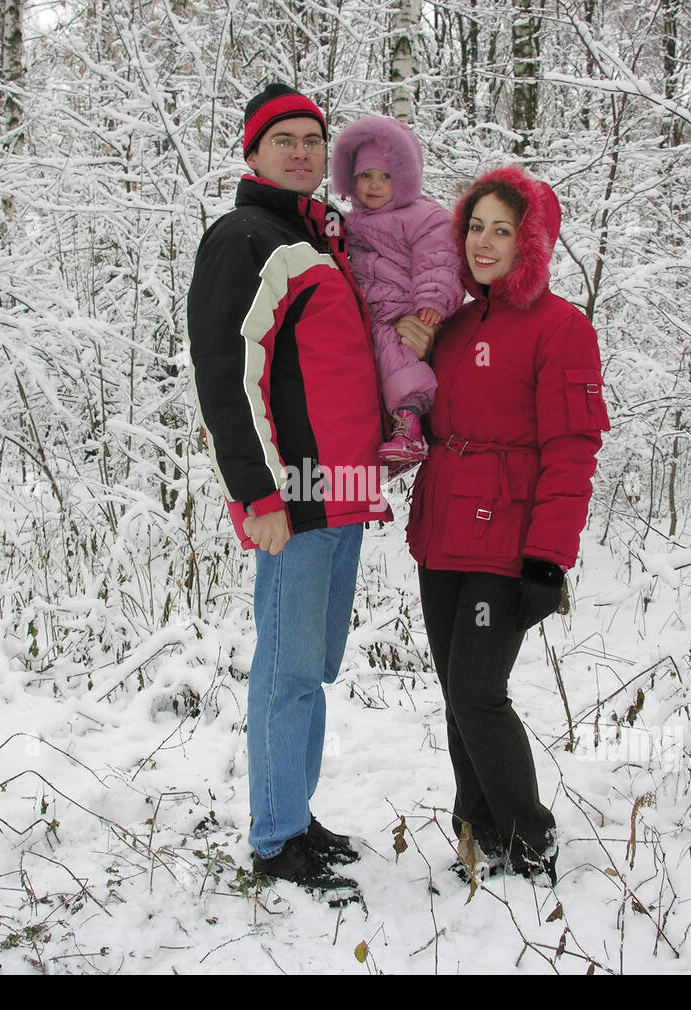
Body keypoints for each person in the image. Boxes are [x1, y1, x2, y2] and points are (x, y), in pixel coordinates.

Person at [186, 84, 388, 903]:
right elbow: (226, 374)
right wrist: (256, 493)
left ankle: (296, 818)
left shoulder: (315, 237)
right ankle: (274, 841)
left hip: (342, 493)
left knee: (312, 667)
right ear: (252, 152)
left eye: (313, 139)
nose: (302, 152)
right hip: (296, 498)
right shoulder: (245, 237)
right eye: (284, 140)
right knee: (286, 669)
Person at [404, 166, 611, 886]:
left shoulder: (561, 327)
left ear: (531, 243)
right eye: (476, 226)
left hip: (508, 541)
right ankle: (479, 830)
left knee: (477, 693)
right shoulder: (454, 326)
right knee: (455, 694)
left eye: (504, 230)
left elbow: (572, 447)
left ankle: (531, 837)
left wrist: (548, 561)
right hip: (442, 536)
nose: (485, 243)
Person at [330, 116, 465, 471]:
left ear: (404, 178)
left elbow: (438, 259)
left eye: (386, 176)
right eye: (365, 176)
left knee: (396, 351)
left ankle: (409, 426)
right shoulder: (350, 221)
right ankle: (389, 439)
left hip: (405, 309)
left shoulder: (422, 215)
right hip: (371, 312)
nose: (374, 185)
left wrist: (432, 299)